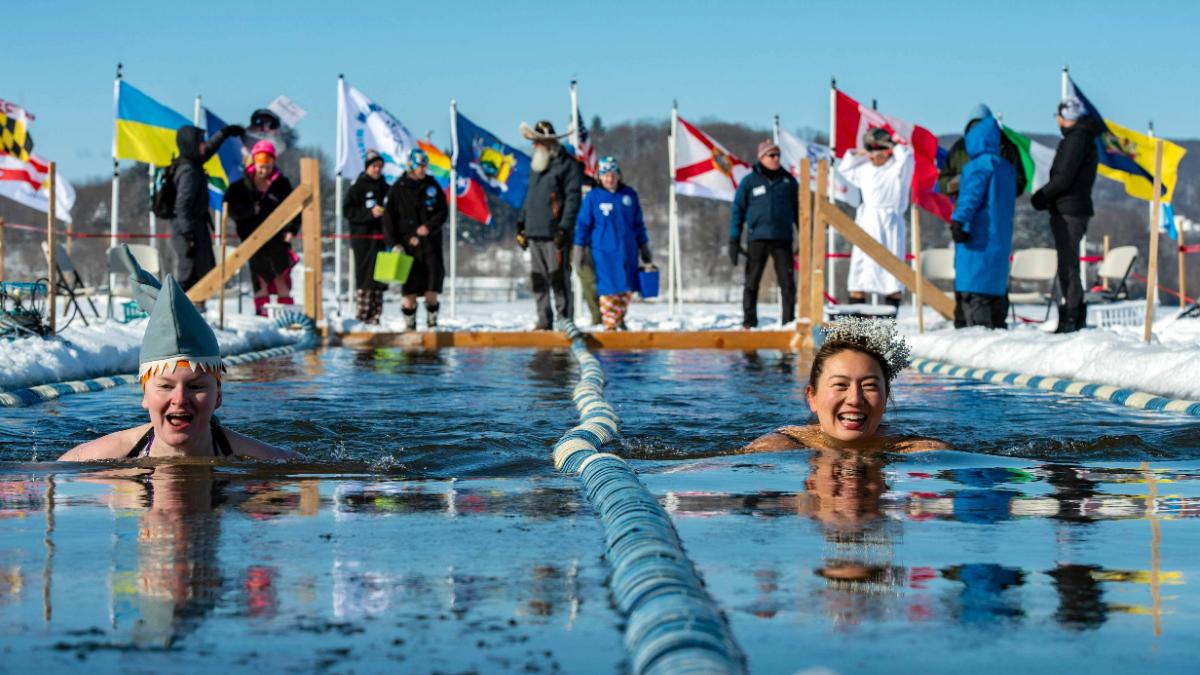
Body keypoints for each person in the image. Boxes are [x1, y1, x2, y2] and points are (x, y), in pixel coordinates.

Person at [59, 247, 298, 461]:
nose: (180, 398)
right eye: (165, 386)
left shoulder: (260, 459)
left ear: (218, 396)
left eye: (196, 387)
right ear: (145, 396)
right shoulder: (99, 459)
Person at [743, 317, 949, 452]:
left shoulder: (912, 446)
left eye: (869, 386)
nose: (855, 399)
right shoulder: (782, 445)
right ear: (812, 397)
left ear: (885, 398)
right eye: (840, 385)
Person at [1031, 96, 1102, 333]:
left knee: (1068, 265)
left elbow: (1063, 177)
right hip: (1072, 206)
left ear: (1065, 118)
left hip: (1069, 209)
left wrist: (1042, 196)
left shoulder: (1076, 139)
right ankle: (1073, 314)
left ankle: (1071, 318)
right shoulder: (1083, 138)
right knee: (1068, 264)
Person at [948, 114, 1017, 329]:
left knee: (975, 309)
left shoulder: (978, 166)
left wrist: (959, 221)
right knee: (995, 308)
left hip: (977, 243)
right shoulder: (1006, 168)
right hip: (999, 244)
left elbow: (970, 197)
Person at [836, 128, 914, 309]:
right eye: (870, 151)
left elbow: (907, 157)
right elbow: (844, 168)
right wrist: (858, 152)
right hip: (867, 223)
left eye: (877, 150)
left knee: (892, 278)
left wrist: (891, 145)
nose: (873, 156)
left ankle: (886, 327)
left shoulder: (896, 169)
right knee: (859, 276)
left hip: (889, 224)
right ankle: (858, 329)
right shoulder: (864, 170)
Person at [517, 120, 582, 330]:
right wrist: (522, 223)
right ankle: (543, 320)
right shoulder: (536, 166)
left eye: (537, 142)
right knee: (538, 279)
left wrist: (564, 228)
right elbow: (530, 197)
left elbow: (573, 199)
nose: (534, 146)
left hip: (555, 233)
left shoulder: (567, 165)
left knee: (558, 278)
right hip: (534, 231)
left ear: (548, 142)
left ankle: (565, 319)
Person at [574, 156, 652, 331]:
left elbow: (638, 224)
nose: (610, 179)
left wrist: (644, 246)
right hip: (604, 252)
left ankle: (619, 321)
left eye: (613, 175)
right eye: (606, 176)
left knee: (626, 288)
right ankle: (609, 325)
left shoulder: (629, 195)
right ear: (600, 177)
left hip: (627, 251)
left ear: (619, 176)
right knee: (609, 289)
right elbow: (583, 225)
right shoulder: (593, 197)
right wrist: (578, 249)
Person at [730, 139, 799, 329]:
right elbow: (738, 210)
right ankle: (749, 322)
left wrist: (804, 237)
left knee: (787, 284)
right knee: (752, 282)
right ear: (761, 157)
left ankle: (788, 322)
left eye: (778, 155)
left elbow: (799, 211)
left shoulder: (788, 181)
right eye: (771, 155)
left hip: (782, 238)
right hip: (757, 238)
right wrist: (734, 239)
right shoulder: (750, 181)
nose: (776, 159)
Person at [224, 140, 298, 317]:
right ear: (254, 164)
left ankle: (286, 316)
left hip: (277, 239)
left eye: (268, 166)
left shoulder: (281, 184)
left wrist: (292, 229)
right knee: (260, 278)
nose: (264, 171)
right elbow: (231, 208)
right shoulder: (241, 186)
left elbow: (295, 208)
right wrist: (251, 210)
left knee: (281, 275)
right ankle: (262, 314)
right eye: (261, 167)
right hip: (252, 239)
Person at [171, 123, 244, 293]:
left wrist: (224, 133)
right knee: (189, 272)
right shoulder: (189, 171)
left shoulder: (193, 161)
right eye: (200, 142)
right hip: (187, 228)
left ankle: (196, 310)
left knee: (202, 271)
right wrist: (189, 234)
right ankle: (184, 312)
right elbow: (182, 205)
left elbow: (209, 149)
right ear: (192, 145)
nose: (204, 144)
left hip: (194, 226)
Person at [383, 148, 448, 331]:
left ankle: (432, 324)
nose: (422, 170)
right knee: (409, 290)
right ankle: (409, 326)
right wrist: (394, 244)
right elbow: (388, 221)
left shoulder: (433, 186)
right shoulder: (397, 188)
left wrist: (428, 226)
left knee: (432, 287)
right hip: (407, 248)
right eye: (419, 166)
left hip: (430, 245)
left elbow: (443, 212)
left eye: (425, 166)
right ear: (411, 166)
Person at [937, 104, 1027, 198]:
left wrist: (995, 184)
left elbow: (1019, 182)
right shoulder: (960, 148)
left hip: (994, 208)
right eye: (975, 127)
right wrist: (962, 181)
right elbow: (944, 184)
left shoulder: (1006, 148)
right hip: (969, 207)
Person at [344, 149, 389, 324]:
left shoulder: (387, 188)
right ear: (367, 167)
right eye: (374, 166)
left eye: (379, 166)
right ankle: (362, 316)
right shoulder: (357, 188)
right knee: (365, 276)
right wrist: (369, 213)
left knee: (380, 278)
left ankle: (376, 316)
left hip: (382, 239)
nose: (377, 170)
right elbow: (348, 211)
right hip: (363, 239)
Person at [574, 172, 603, 325]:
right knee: (588, 280)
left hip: (599, 242)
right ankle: (597, 317)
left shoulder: (595, 189)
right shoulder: (568, 184)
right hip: (577, 241)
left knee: (601, 281)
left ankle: (607, 317)